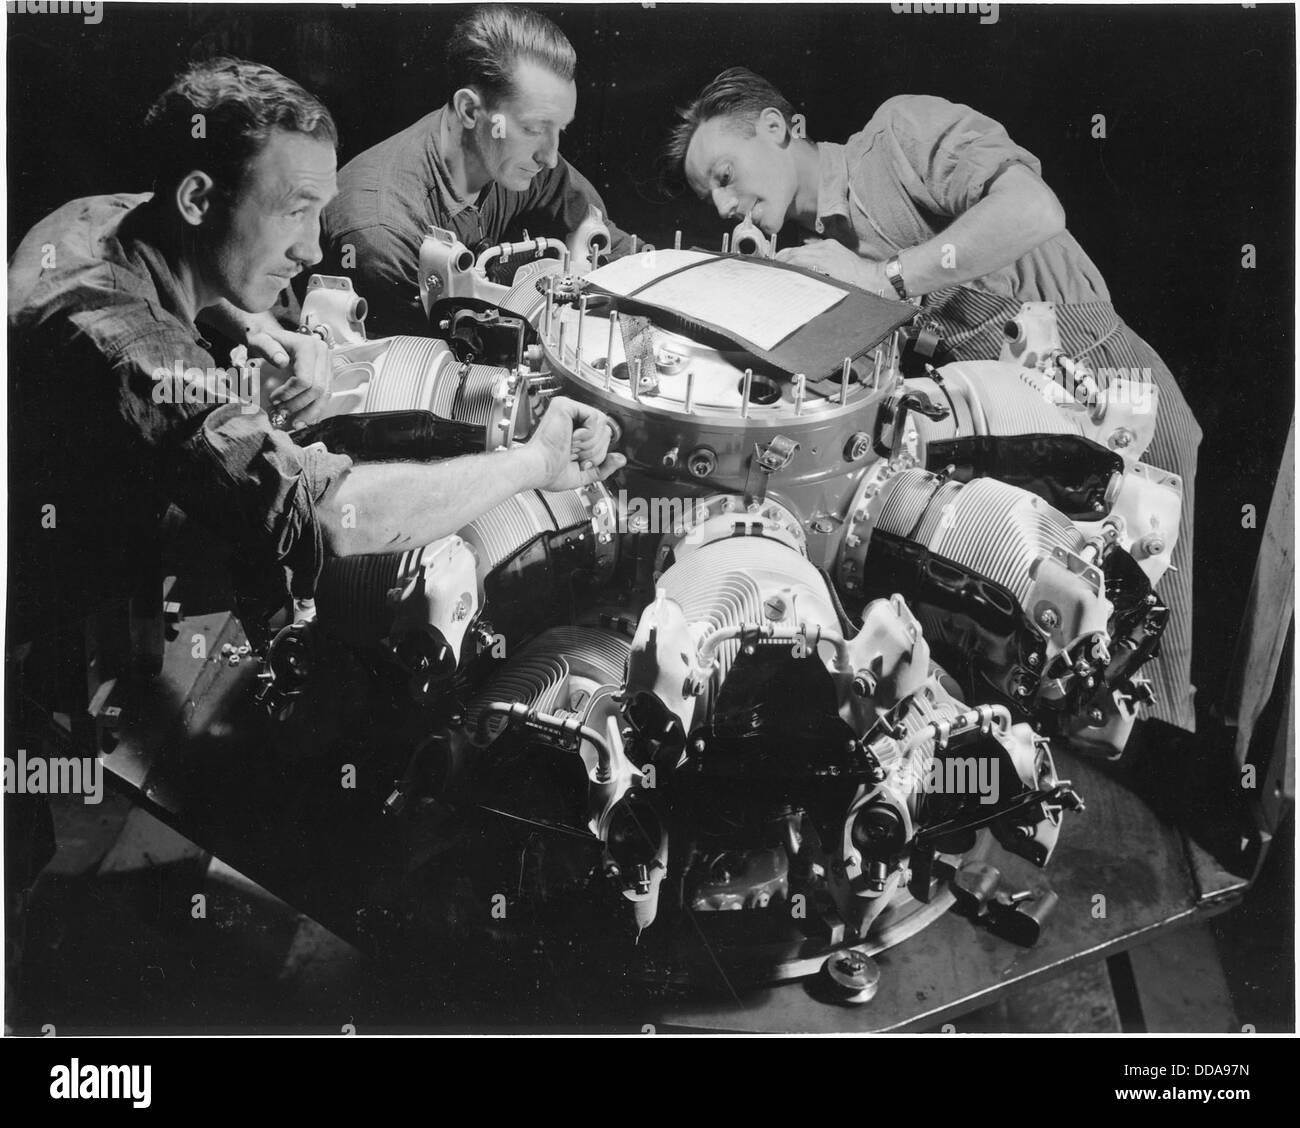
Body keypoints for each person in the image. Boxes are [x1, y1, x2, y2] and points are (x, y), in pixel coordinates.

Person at [7, 55, 623, 682]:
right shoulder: (132, 352)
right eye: (294, 211)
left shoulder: (98, 219)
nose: (310, 250)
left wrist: (257, 325)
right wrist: (534, 465)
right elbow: (327, 516)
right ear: (198, 197)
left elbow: (171, 251)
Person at [666, 68, 1202, 735]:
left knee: (1143, 655)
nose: (722, 206)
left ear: (777, 129)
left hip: (1110, 389)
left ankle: (1178, 789)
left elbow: (1036, 210)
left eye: (724, 175)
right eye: (708, 195)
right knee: (1059, 659)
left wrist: (882, 276)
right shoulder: (821, 251)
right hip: (1019, 422)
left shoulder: (897, 134)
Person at [314, 4, 636, 338]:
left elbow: (612, 246)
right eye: (532, 128)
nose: (551, 158)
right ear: (470, 110)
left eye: (560, 130)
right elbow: (423, 370)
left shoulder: (519, 158)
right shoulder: (384, 230)